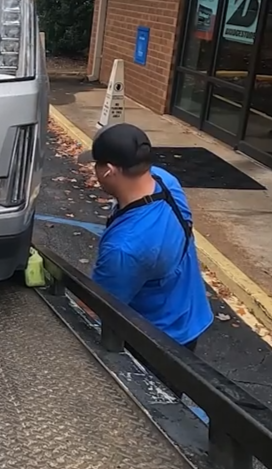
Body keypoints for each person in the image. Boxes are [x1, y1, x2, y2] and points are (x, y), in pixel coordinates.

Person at [78, 123, 213, 382]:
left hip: (153, 343)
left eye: (96, 165)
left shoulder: (125, 248)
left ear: (109, 171)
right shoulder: (164, 181)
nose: (94, 172)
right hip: (189, 318)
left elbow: (97, 306)